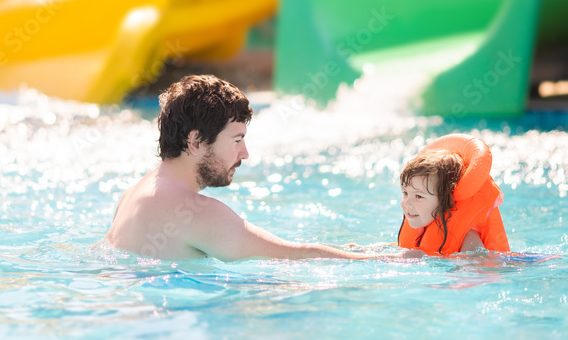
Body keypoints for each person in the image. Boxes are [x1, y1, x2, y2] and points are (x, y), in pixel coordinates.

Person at [99, 74, 423, 262]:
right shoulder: (194, 211)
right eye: (236, 139)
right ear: (196, 141)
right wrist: (385, 260)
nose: (246, 153)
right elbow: (295, 258)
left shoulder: (135, 193)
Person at [397, 134, 510, 255]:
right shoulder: (426, 223)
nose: (407, 202)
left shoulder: (470, 237)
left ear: (446, 199)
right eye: (405, 193)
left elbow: (477, 266)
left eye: (419, 196)